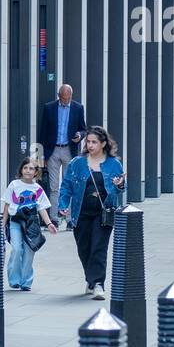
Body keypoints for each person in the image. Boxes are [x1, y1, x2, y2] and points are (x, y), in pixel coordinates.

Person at [56, 126, 126, 301]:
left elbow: (121, 189)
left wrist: (119, 184)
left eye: (94, 142)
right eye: (88, 141)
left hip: (103, 213)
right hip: (81, 212)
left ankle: (98, 284)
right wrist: (63, 205)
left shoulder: (113, 163)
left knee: (99, 248)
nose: (90, 145)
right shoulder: (77, 163)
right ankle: (91, 278)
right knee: (84, 248)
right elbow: (66, 186)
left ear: (103, 144)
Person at [1, 159, 57, 292]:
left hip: (31, 223)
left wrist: (49, 223)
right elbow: (7, 204)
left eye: (31, 169)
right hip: (15, 221)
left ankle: (26, 281)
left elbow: (41, 208)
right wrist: (2, 223)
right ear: (21, 170)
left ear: (36, 172)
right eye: (25, 168)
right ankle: (14, 280)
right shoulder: (14, 185)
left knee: (29, 251)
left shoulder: (37, 189)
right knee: (16, 249)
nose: (28, 170)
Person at [37, 84, 86, 226]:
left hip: (69, 150)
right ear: (59, 96)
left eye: (68, 98)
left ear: (71, 95)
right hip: (52, 151)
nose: (66, 101)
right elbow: (42, 132)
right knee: (53, 187)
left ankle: (70, 219)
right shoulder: (49, 108)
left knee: (70, 185)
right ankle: (54, 219)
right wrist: (41, 156)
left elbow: (83, 128)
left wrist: (80, 135)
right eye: (63, 99)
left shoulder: (78, 108)